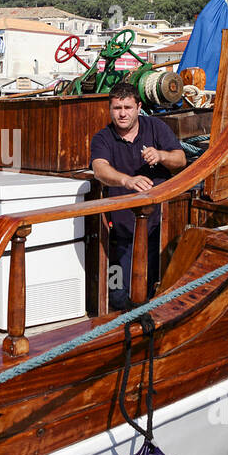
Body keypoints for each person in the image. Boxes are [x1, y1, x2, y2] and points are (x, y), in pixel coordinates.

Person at [90, 82, 188, 309]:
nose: (122, 113)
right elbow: (99, 168)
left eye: (127, 107)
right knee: (118, 295)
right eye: (117, 108)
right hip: (121, 234)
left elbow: (181, 160)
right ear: (110, 109)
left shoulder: (156, 127)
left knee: (155, 288)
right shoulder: (103, 138)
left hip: (159, 229)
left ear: (138, 107)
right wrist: (126, 180)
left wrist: (161, 155)